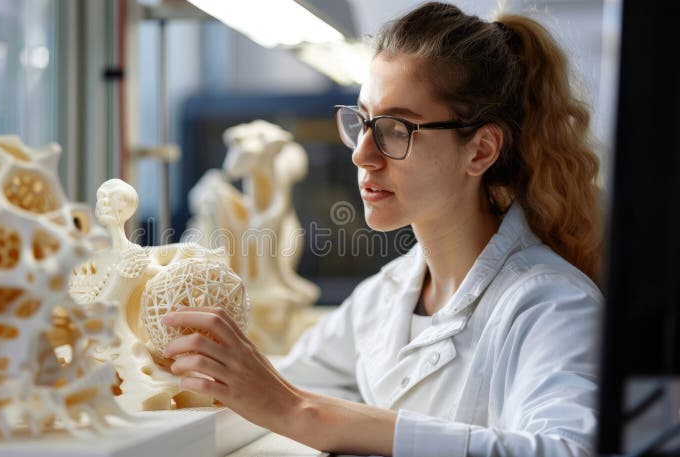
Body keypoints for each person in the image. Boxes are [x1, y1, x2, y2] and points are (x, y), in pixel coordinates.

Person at [161, 2, 603, 456]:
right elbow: (285, 383)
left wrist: (304, 414)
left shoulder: (551, 305)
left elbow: (566, 450)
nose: (362, 154)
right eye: (362, 121)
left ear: (480, 151)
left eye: (396, 128)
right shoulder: (387, 295)